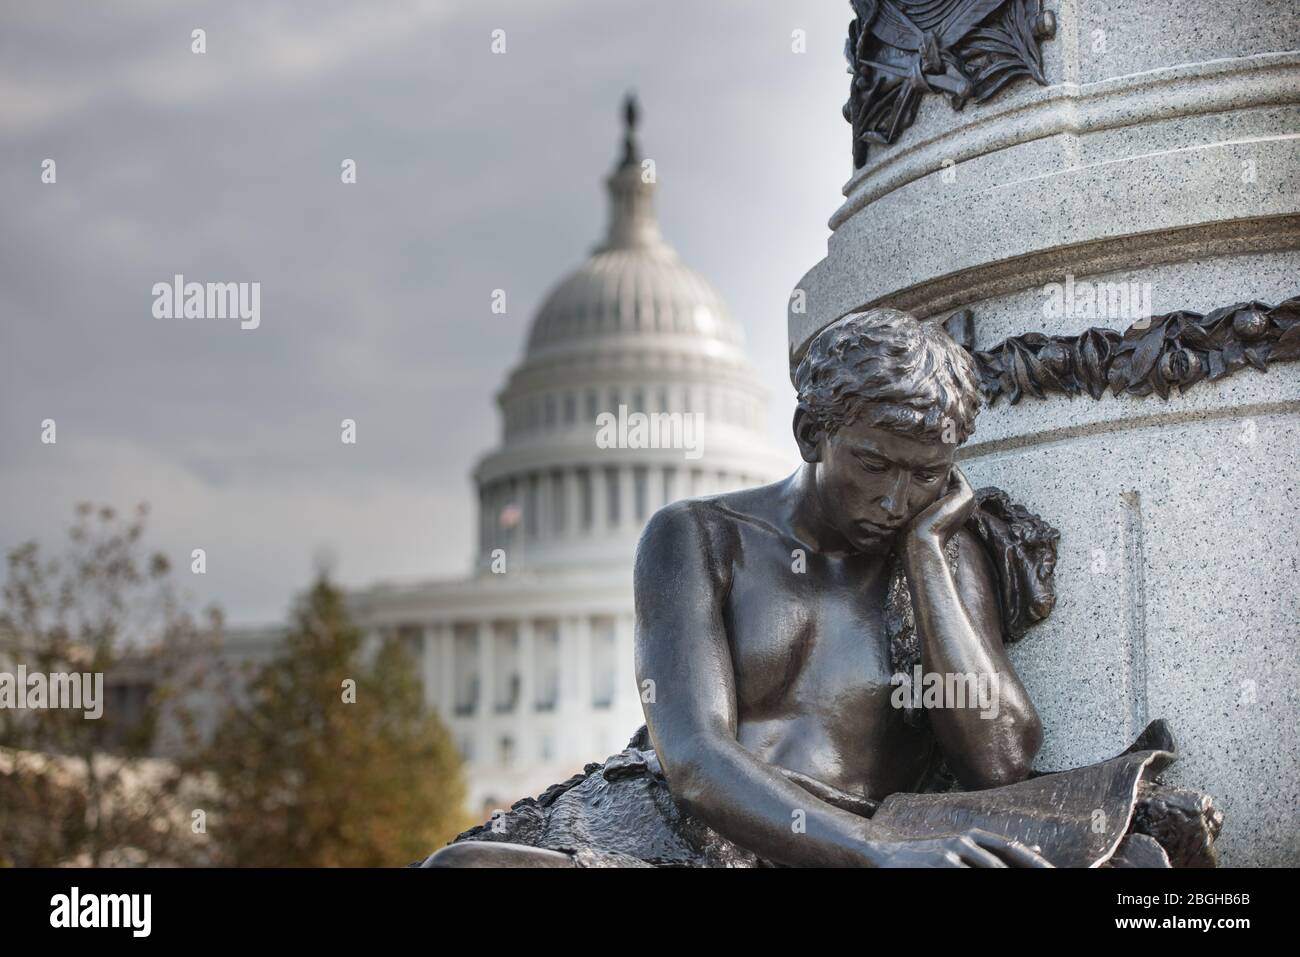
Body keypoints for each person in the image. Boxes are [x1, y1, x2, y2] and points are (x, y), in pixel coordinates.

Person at [423, 308, 1219, 868]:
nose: (894, 499)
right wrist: (876, 855)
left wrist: (932, 553)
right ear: (813, 435)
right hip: (696, 831)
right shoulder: (699, 537)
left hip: (872, 833)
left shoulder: (935, 545)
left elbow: (1002, 760)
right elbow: (697, 758)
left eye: (925, 476)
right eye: (874, 464)